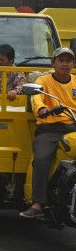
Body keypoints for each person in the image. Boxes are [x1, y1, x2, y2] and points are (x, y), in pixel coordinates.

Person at [20, 47, 76, 219]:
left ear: (73, 64)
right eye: (61, 60)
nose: (65, 64)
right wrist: (43, 109)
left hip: (73, 126)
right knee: (42, 157)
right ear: (54, 63)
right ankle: (38, 203)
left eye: (68, 61)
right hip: (50, 128)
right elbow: (36, 97)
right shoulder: (43, 81)